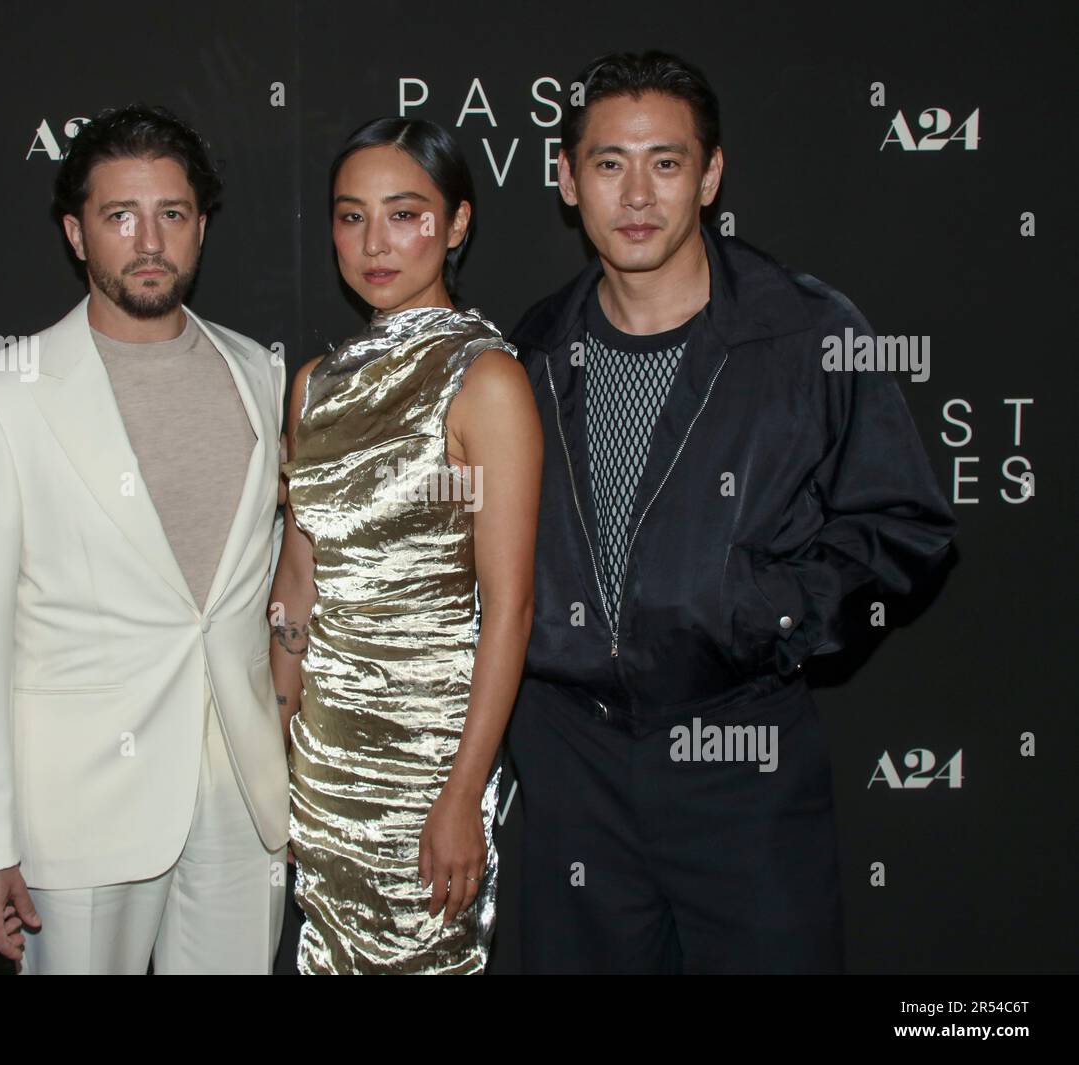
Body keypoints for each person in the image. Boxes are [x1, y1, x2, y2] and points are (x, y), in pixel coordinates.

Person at [505, 51, 958, 973]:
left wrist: (763, 610)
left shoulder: (808, 332)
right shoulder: (533, 348)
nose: (638, 194)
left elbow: (904, 523)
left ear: (710, 176)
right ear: (567, 179)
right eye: (609, 163)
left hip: (738, 757)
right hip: (569, 765)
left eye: (666, 162)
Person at [0, 104, 289, 974]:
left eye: (172, 213)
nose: (149, 241)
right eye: (120, 216)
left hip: (240, 797)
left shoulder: (259, 371)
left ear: (201, 226)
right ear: (75, 232)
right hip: (79, 808)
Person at [268, 118, 542, 974]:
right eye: (351, 217)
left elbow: (510, 609)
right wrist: (275, 742)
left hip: (426, 767)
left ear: (456, 224)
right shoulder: (313, 385)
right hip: (320, 759)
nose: (374, 243)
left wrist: (463, 792)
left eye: (405, 214)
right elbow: (298, 580)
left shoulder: (485, 381)